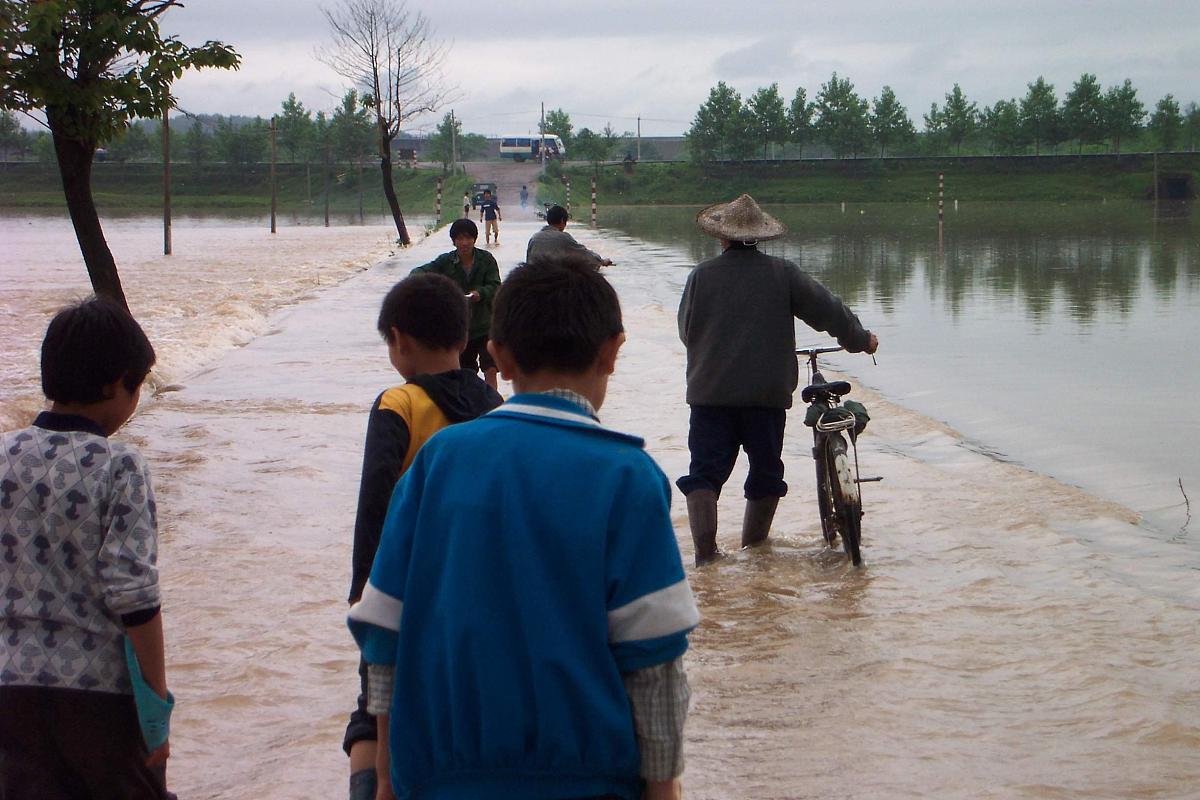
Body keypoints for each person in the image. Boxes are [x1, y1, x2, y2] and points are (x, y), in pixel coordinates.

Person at [349, 254, 699, 800]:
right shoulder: (628, 479)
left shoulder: (437, 463)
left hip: (440, 779)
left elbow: (385, 634)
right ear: (612, 351)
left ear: (498, 357)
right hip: (589, 784)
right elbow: (654, 663)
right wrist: (663, 792)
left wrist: (390, 777)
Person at [1, 297, 171, 799]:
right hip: (96, 696)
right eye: (135, 387)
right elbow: (135, 596)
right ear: (113, 384)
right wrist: (156, 705)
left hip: (10, 692)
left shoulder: (4, 455)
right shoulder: (120, 466)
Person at [343, 273, 502, 800]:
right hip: (474, 590)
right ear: (463, 340)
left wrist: (362, 584)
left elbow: (376, 500)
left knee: (373, 712)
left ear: (399, 339)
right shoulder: (494, 407)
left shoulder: (399, 403)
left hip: (403, 585)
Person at [677, 194, 879, 565]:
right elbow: (827, 310)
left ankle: (706, 558)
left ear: (722, 238)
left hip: (710, 395)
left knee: (704, 474)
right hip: (765, 397)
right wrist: (859, 339)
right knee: (766, 472)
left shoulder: (701, 276)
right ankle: (755, 555)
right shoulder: (782, 274)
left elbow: (687, 332)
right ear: (761, 237)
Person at [411, 218, 502, 391]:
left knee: (490, 368)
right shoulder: (445, 261)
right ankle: (470, 405)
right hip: (460, 328)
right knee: (466, 371)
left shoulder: (486, 259)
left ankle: (493, 404)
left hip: (485, 325)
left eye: (468, 238)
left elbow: (495, 285)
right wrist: (419, 282)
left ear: (474, 239)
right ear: (454, 241)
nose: (464, 243)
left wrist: (480, 293)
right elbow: (421, 271)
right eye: (460, 239)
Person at [526, 204, 614, 268]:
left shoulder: (534, 237)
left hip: (534, 277)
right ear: (562, 221)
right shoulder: (563, 237)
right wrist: (601, 261)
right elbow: (584, 254)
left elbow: (528, 261)